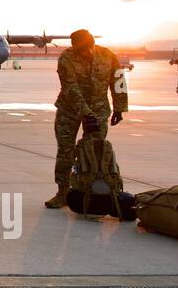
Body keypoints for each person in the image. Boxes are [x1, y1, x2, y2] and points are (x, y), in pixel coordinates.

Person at [46, 29, 128, 208]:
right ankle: (62, 193)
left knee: (95, 153)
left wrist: (119, 108)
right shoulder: (66, 58)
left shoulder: (108, 55)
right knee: (66, 151)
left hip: (99, 111)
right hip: (69, 110)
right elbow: (70, 88)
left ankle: (89, 192)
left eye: (86, 47)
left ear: (92, 43)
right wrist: (86, 113)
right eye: (79, 49)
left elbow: (119, 82)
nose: (84, 52)